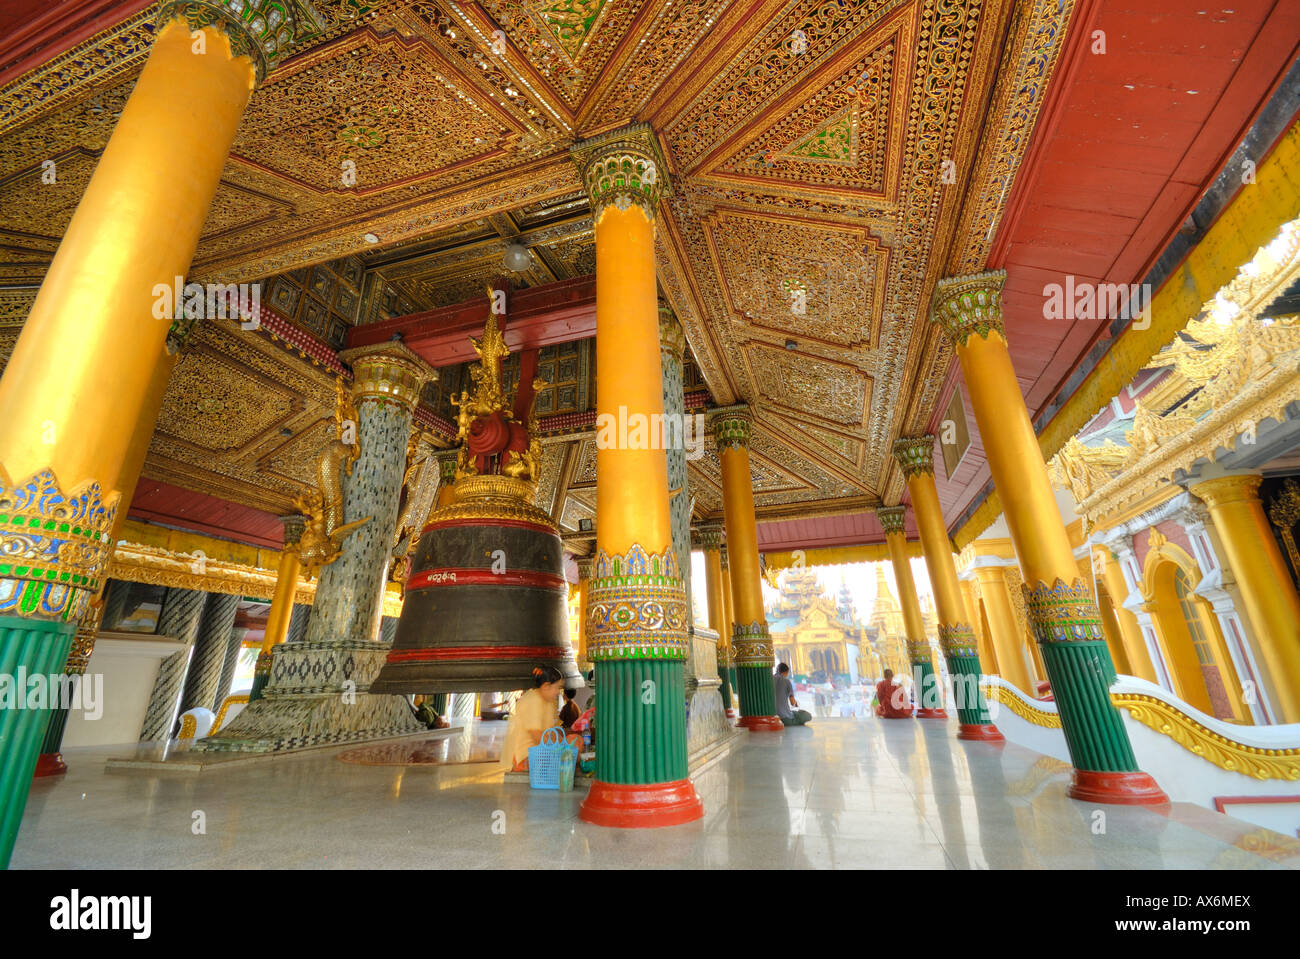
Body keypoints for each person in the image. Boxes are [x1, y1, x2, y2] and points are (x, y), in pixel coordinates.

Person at [498, 665, 582, 772]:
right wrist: (564, 751)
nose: (558, 692)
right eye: (557, 687)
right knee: (566, 758)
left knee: (575, 740)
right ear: (546, 686)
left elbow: (551, 732)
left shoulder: (548, 701)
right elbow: (537, 735)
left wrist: (567, 746)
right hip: (524, 756)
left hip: (539, 751)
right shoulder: (533, 700)